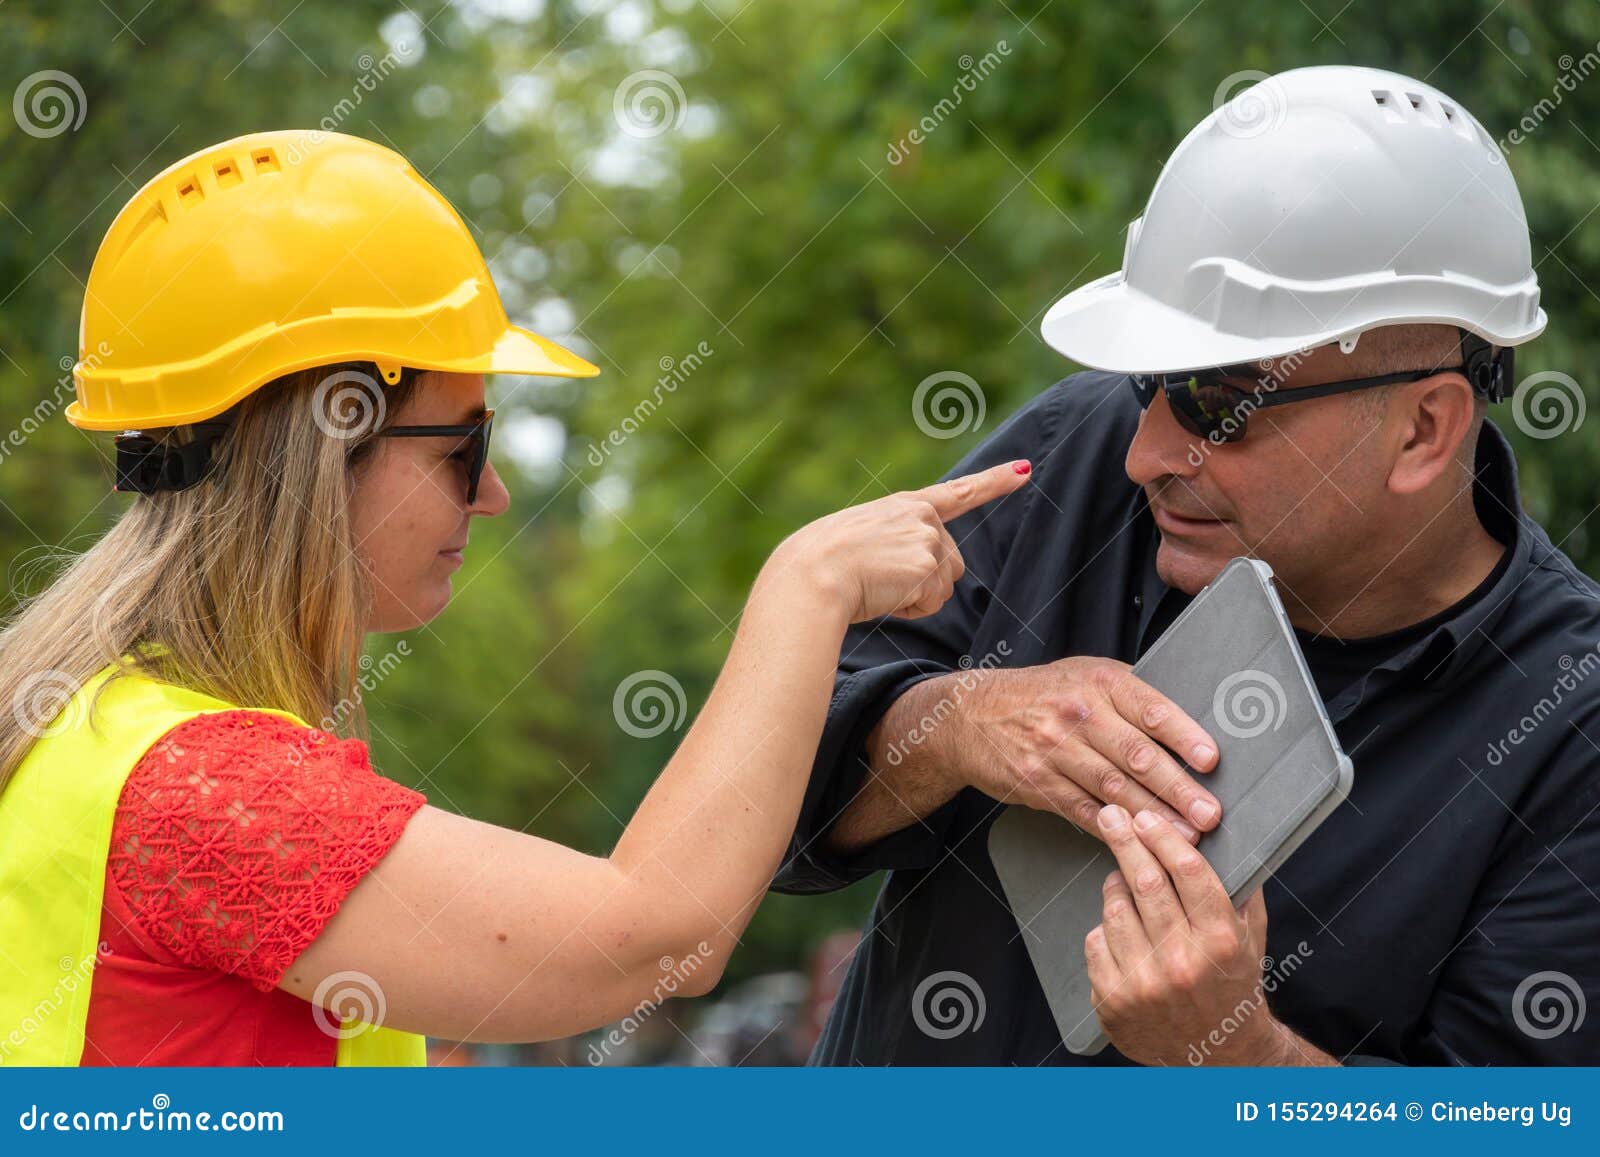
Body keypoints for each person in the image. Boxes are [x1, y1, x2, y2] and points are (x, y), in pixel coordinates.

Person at [0, 129, 1032, 1066]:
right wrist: (807, 587)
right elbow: (655, 939)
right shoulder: (205, 787)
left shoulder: (95, 731)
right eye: (464, 443)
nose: (491, 493)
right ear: (326, 442)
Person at [774, 65, 1600, 1066]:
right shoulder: (1072, 457)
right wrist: (953, 725)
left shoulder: (1571, 727)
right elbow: (761, 801)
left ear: (1424, 428)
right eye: (1146, 382)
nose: (1146, 452)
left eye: (1220, 399)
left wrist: (1235, 1055)